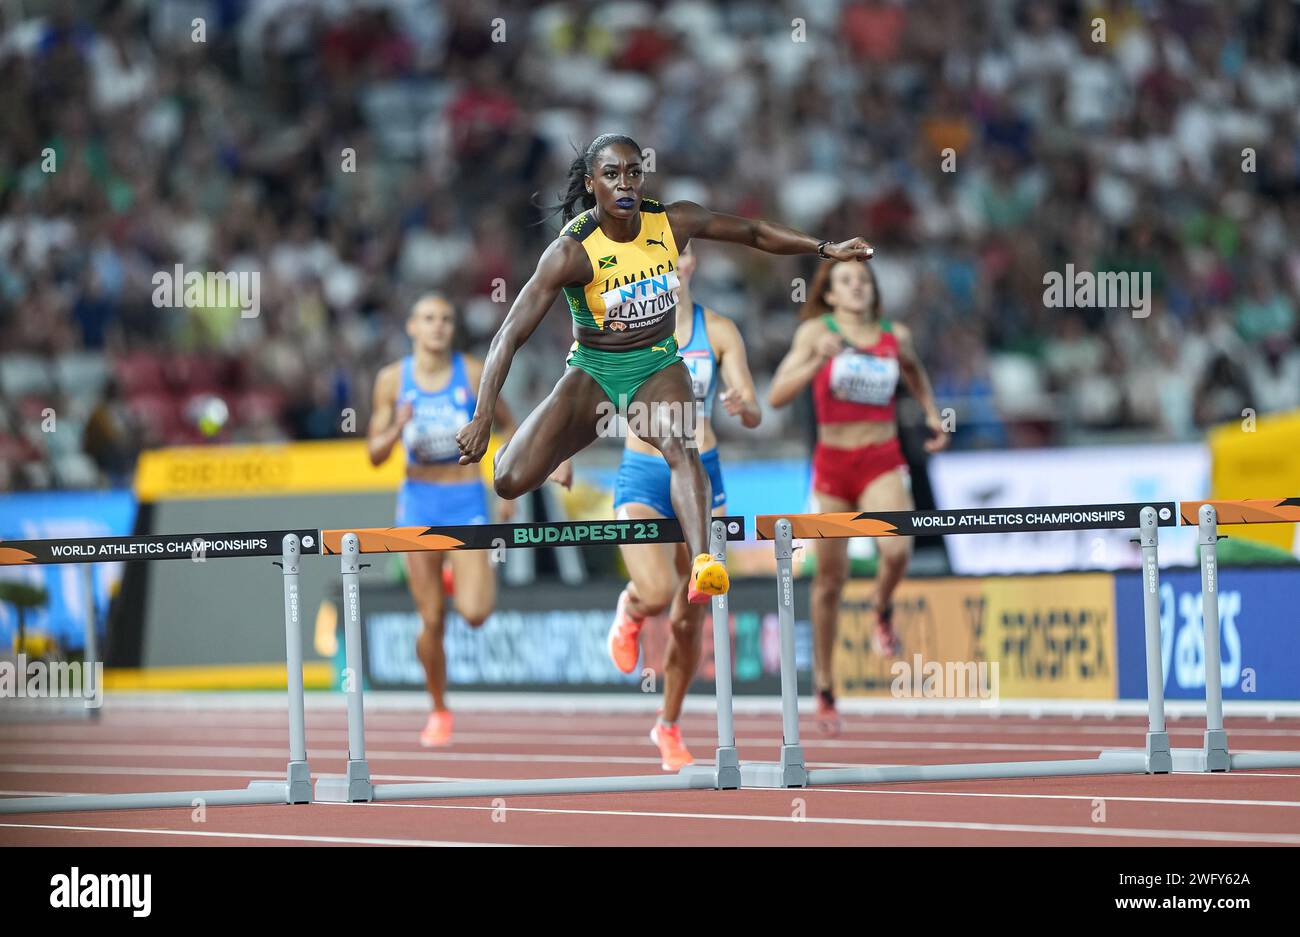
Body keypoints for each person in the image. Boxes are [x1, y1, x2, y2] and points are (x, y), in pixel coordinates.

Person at [456, 132, 873, 621]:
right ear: (592, 184)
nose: (625, 183)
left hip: (656, 363)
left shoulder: (673, 222)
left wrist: (826, 249)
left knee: (681, 443)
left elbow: (755, 233)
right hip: (594, 371)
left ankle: (703, 564)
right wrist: (484, 416)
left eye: (634, 171)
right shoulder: (571, 251)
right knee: (508, 480)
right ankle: (549, 447)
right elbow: (508, 335)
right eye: (611, 175)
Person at [594, 247, 761, 770]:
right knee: (660, 590)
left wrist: (744, 407)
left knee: (692, 617)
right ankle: (633, 607)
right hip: (643, 472)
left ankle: (667, 725)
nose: (669, 265)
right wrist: (558, 456)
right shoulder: (623, 323)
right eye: (658, 258)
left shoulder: (720, 331)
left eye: (678, 255)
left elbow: (753, 409)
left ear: (690, 264)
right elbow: (581, 390)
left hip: (702, 473)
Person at [768, 260, 945, 734]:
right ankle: (825, 686)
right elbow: (777, 395)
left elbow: (915, 372)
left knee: (898, 549)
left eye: (863, 280)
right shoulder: (813, 333)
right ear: (829, 294)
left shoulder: (895, 335)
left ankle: (881, 606)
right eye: (846, 281)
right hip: (832, 466)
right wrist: (814, 361)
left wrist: (931, 413)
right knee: (829, 578)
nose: (857, 287)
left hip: (880, 459)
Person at [368, 294, 516, 747]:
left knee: (474, 613)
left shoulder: (471, 373)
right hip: (418, 506)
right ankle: (438, 708)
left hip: (466, 501)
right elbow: (374, 455)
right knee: (431, 621)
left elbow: (508, 425)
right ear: (412, 326)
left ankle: (458, 577)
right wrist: (396, 426)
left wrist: (503, 484)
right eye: (429, 318)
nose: (438, 326)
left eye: (446, 319)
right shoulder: (392, 381)